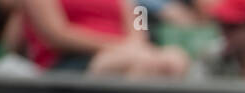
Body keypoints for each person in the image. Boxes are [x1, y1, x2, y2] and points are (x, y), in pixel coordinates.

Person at [22, 0, 189, 74]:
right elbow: (56, 34)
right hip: (69, 60)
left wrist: (138, 41)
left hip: (125, 51)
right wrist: (116, 47)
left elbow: (139, 14)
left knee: (175, 59)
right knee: (138, 65)